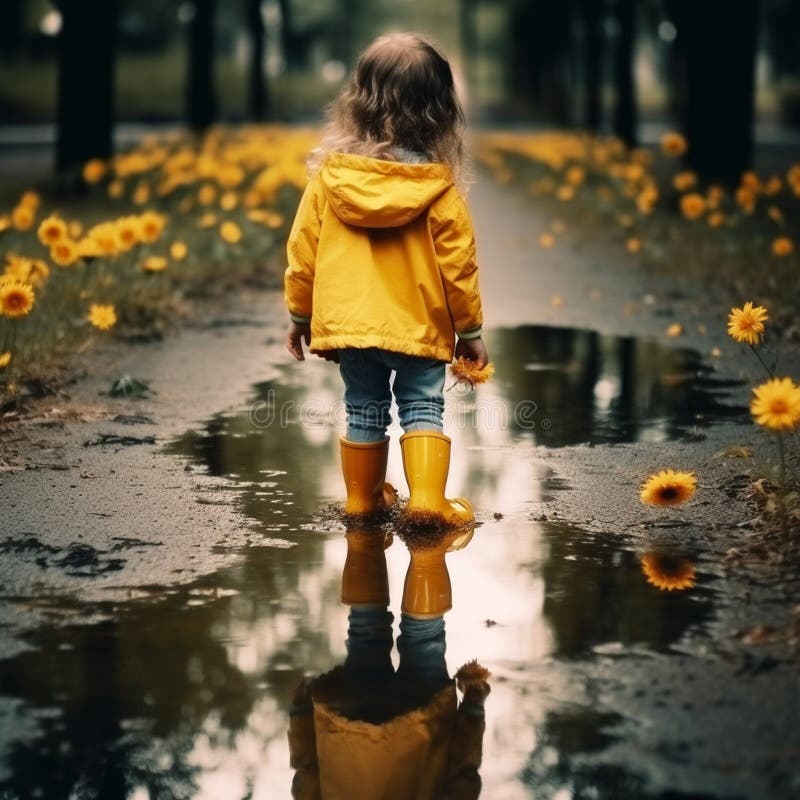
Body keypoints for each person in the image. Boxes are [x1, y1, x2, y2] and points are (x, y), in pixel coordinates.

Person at [284, 32, 488, 525]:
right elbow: (458, 267)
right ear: (439, 112)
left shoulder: (329, 181)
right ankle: (425, 503)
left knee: (363, 407)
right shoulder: (437, 190)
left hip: (352, 329)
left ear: (358, 103)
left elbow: (302, 252)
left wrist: (299, 316)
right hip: (418, 327)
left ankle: (362, 500)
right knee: (422, 407)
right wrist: (471, 331)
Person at [288, 522, 490, 800]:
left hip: (421, 727)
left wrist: (474, 706)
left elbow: (462, 779)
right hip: (348, 732)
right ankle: (365, 528)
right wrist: (299, 714)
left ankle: (427, 540)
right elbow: (307, 777)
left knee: (424, 639)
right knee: (365, 629)